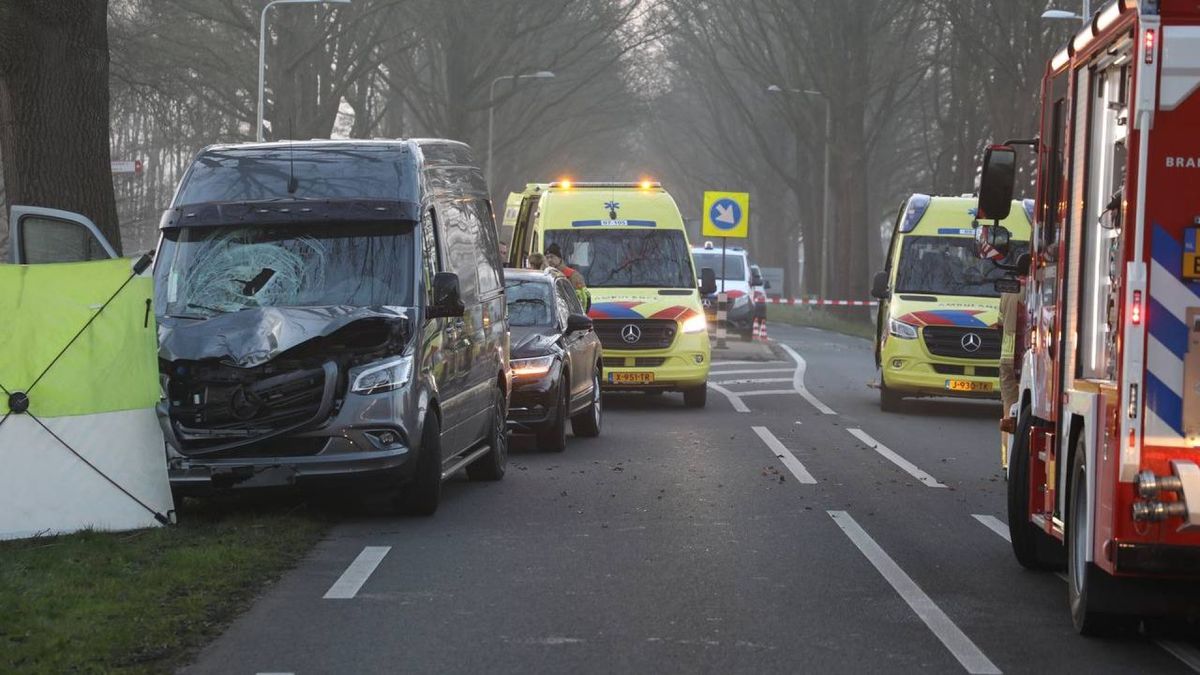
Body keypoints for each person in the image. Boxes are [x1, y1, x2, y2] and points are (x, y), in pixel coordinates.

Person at [545, 243, 590, 310]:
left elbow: (583, 299)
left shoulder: (573, 275)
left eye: (552, 257)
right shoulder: (546, 275)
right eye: (547, 257)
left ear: (559, 258)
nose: (549, 260)